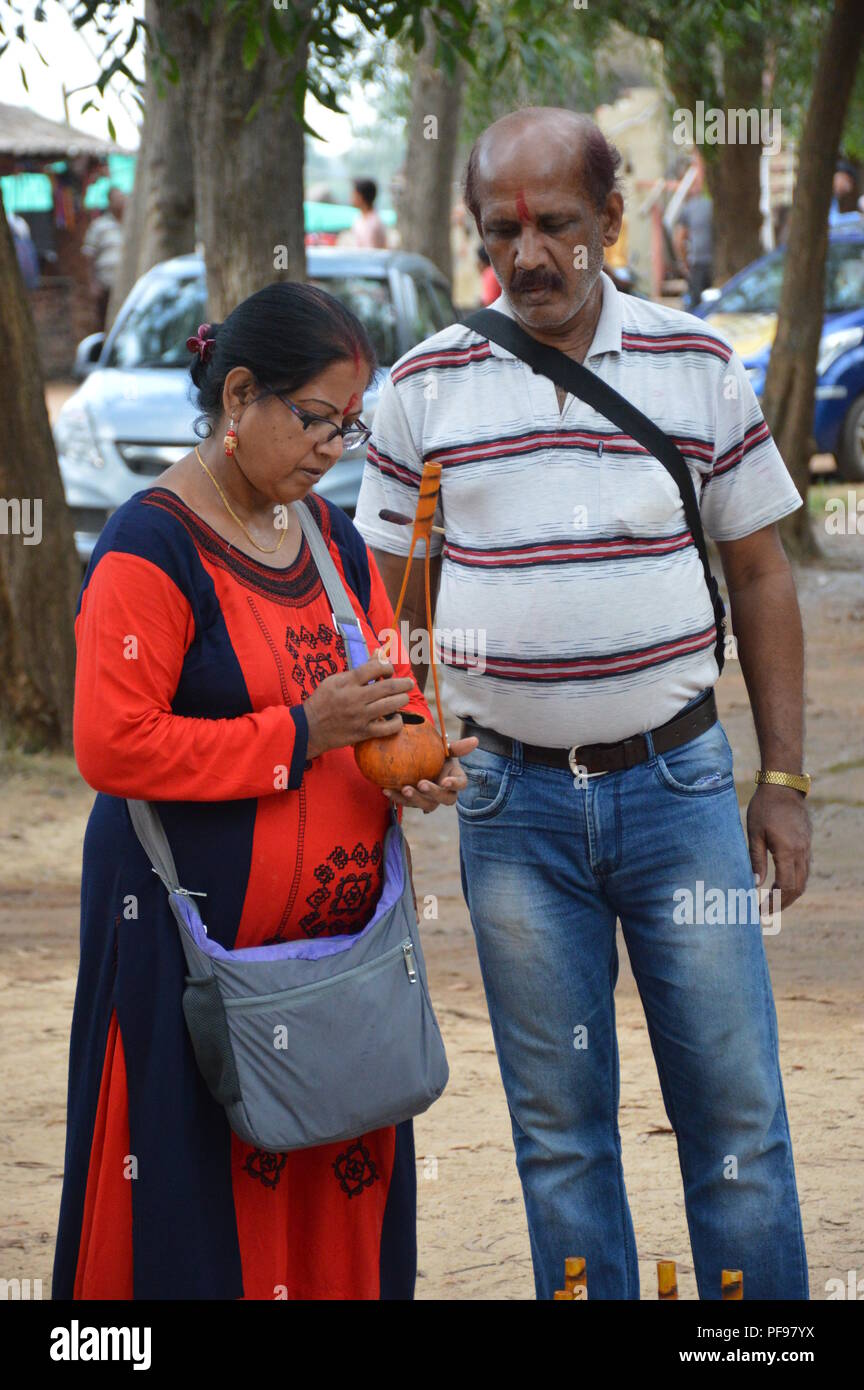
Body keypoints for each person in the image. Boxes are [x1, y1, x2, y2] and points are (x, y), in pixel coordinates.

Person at [354, 106, 811, 1300]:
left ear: (612, 221)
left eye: (558, 223)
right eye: (503, 229)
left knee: (739, 1121)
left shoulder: (698, 365)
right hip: (510, 811)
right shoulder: (422, 389)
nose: (530, 253)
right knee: (559, 1131)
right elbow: (394, 595)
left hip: (683, 794)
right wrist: (411, 729)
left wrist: (785, 780)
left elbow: (762, 575)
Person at [52, 282, 474, 1301]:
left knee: (336, 1206)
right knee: (195, 1216)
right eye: (316, 418)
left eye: (351, 422)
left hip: (341, 973)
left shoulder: (327, 537)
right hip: (194, 960)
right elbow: (115, 746)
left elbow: (386, 688)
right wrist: (298, 732)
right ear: (239, 396)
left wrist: (414, 754)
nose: (336, 445)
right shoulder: (149, 543)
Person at [81, 186, 126, 328]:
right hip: (106, 285)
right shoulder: (99, 226)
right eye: (117, 199)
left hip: (128, 285)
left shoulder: (131, 225)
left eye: (122, 198)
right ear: (109, 202)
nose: (121, 202)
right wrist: (92, 283)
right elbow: (89, 256)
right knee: (107, 324)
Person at [674, 159, 713, 308]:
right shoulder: (712, 205)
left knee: (697, 308)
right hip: (714, 263)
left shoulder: (689, 208)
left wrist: (684, 263)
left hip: (697, 264)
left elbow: (679, 240)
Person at [350, 178, 387, 249]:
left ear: (361, 197)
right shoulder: (359, 218)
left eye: (354, 195)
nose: (351, 198)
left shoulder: (375, 222)